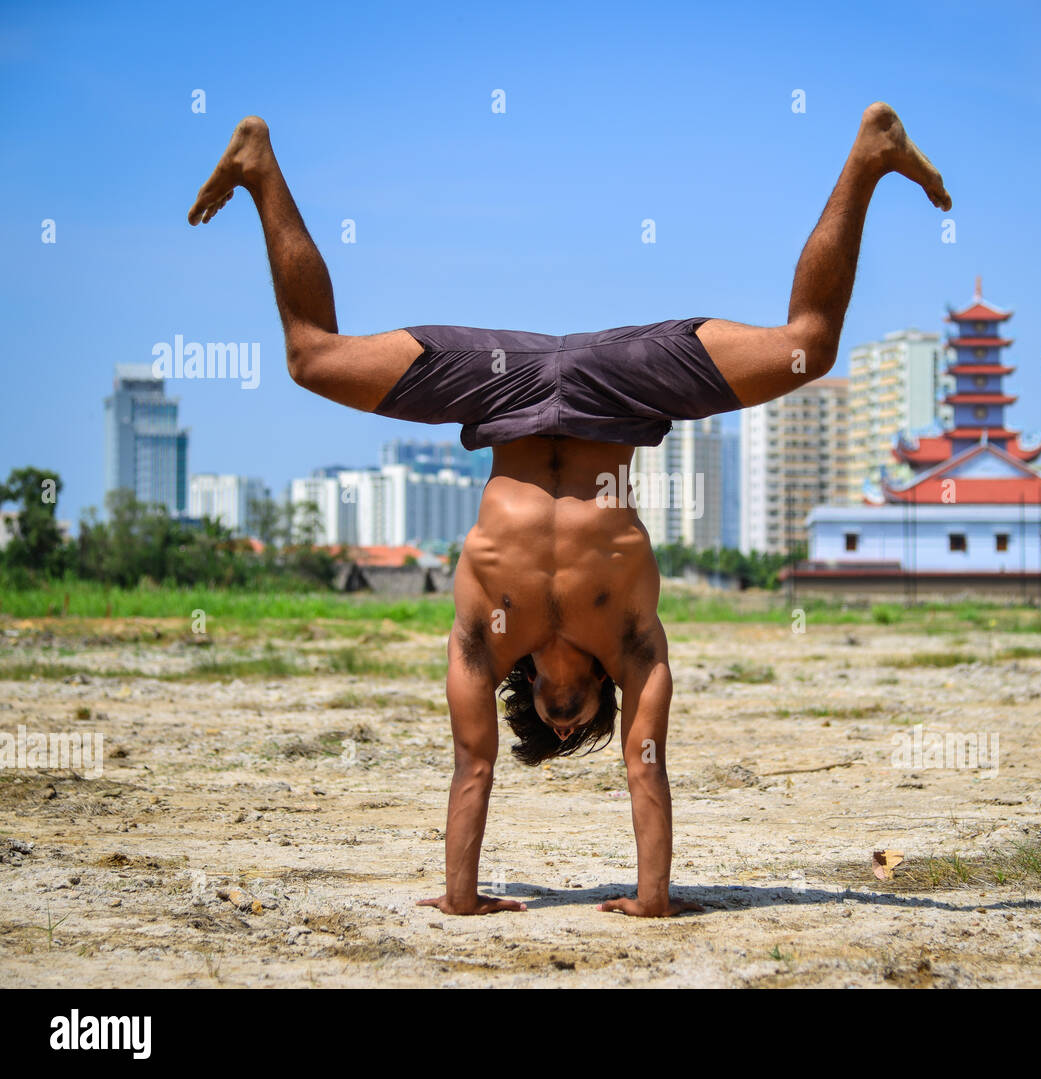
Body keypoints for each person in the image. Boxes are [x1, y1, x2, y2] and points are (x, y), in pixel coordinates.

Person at [188, 104, 950, 917]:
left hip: (497, 378)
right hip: (621, 383)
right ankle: (871, 155)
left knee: (311, 356)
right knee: (811, 344)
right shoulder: (633, 645)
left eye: (550, 728)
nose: (560, 724)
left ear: (531, 698)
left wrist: (462, 898)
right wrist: (651, 899)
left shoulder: (483, 641)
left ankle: (259, 164)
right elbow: (645, 766)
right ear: (599, 701)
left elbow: (473, 767)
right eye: (576, 726)